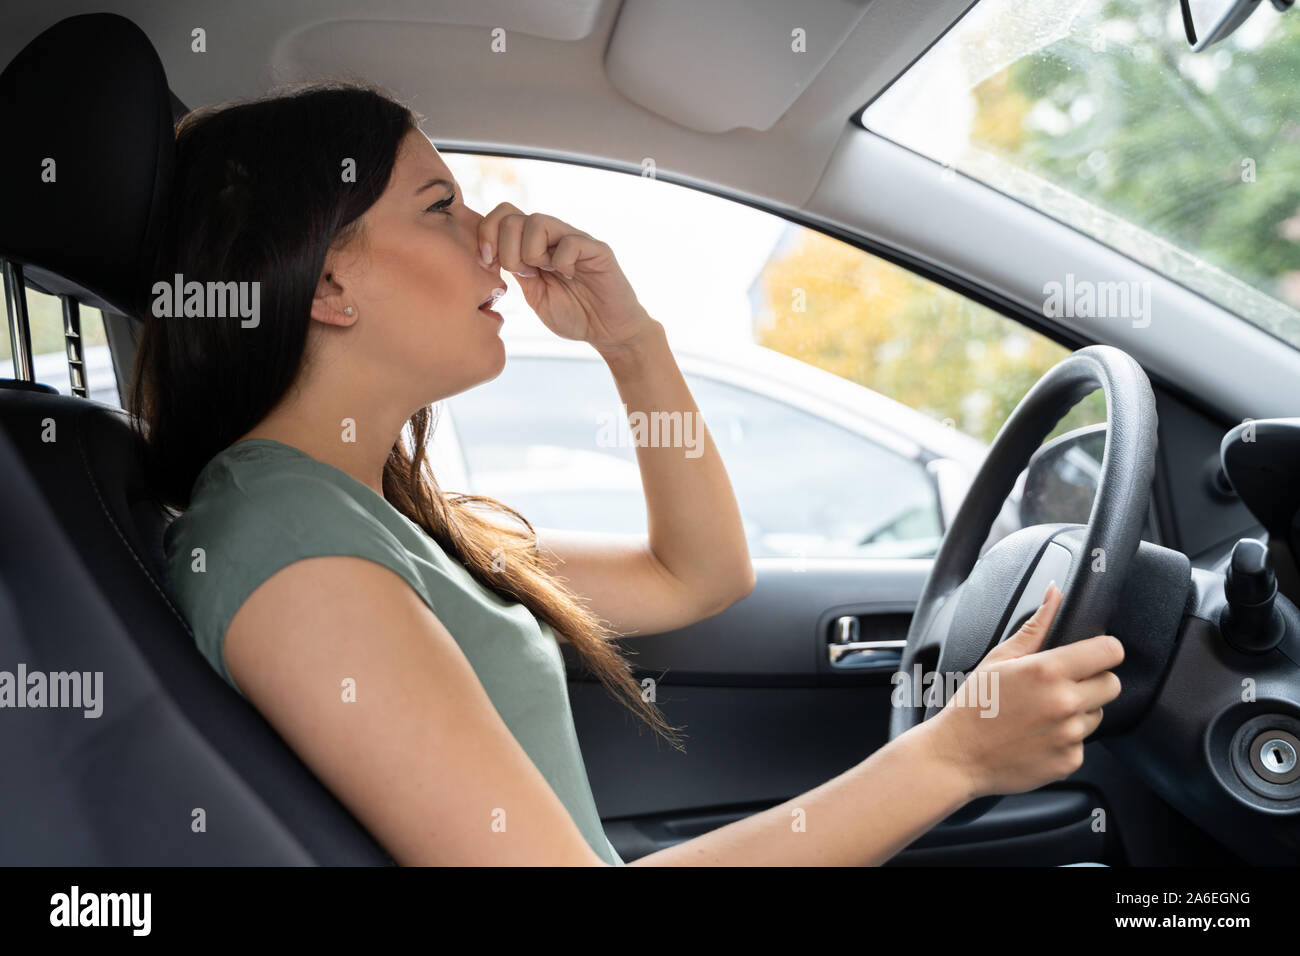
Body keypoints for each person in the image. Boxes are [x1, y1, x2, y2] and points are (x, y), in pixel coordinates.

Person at [130, 81, 1124, 866]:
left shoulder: (355, 514)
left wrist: (629, 340)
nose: (491, 235)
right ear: (331, 281)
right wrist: (952, 756)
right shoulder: (293, 551)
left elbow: (697, 573)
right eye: (442, 207)